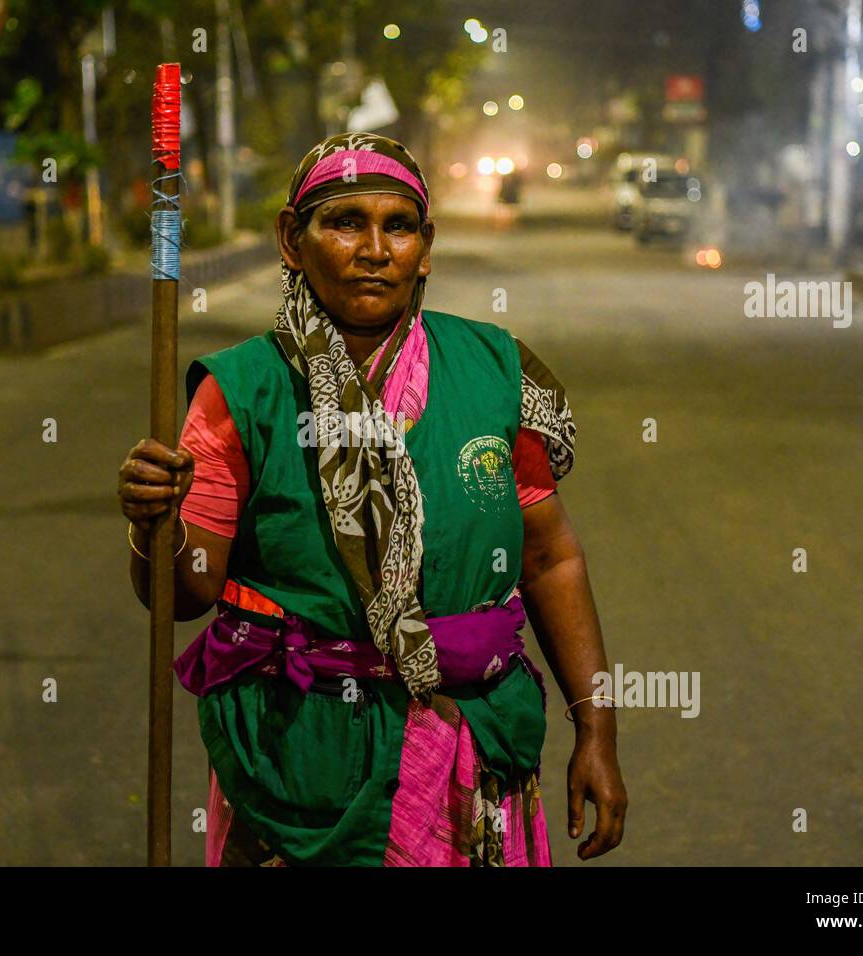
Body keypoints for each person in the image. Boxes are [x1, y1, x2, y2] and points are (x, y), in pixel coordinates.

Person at [118, 132, 626, 866]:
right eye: (346, 222)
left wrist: (597, 732)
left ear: (426, 247)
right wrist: (153, 524)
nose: (375, 248)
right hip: (300, 763)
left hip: (472, 755)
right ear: (293, 241)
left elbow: (549, 561)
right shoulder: (242, 392)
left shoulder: (493, 371)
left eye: (399, 225)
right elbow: (186, 591)